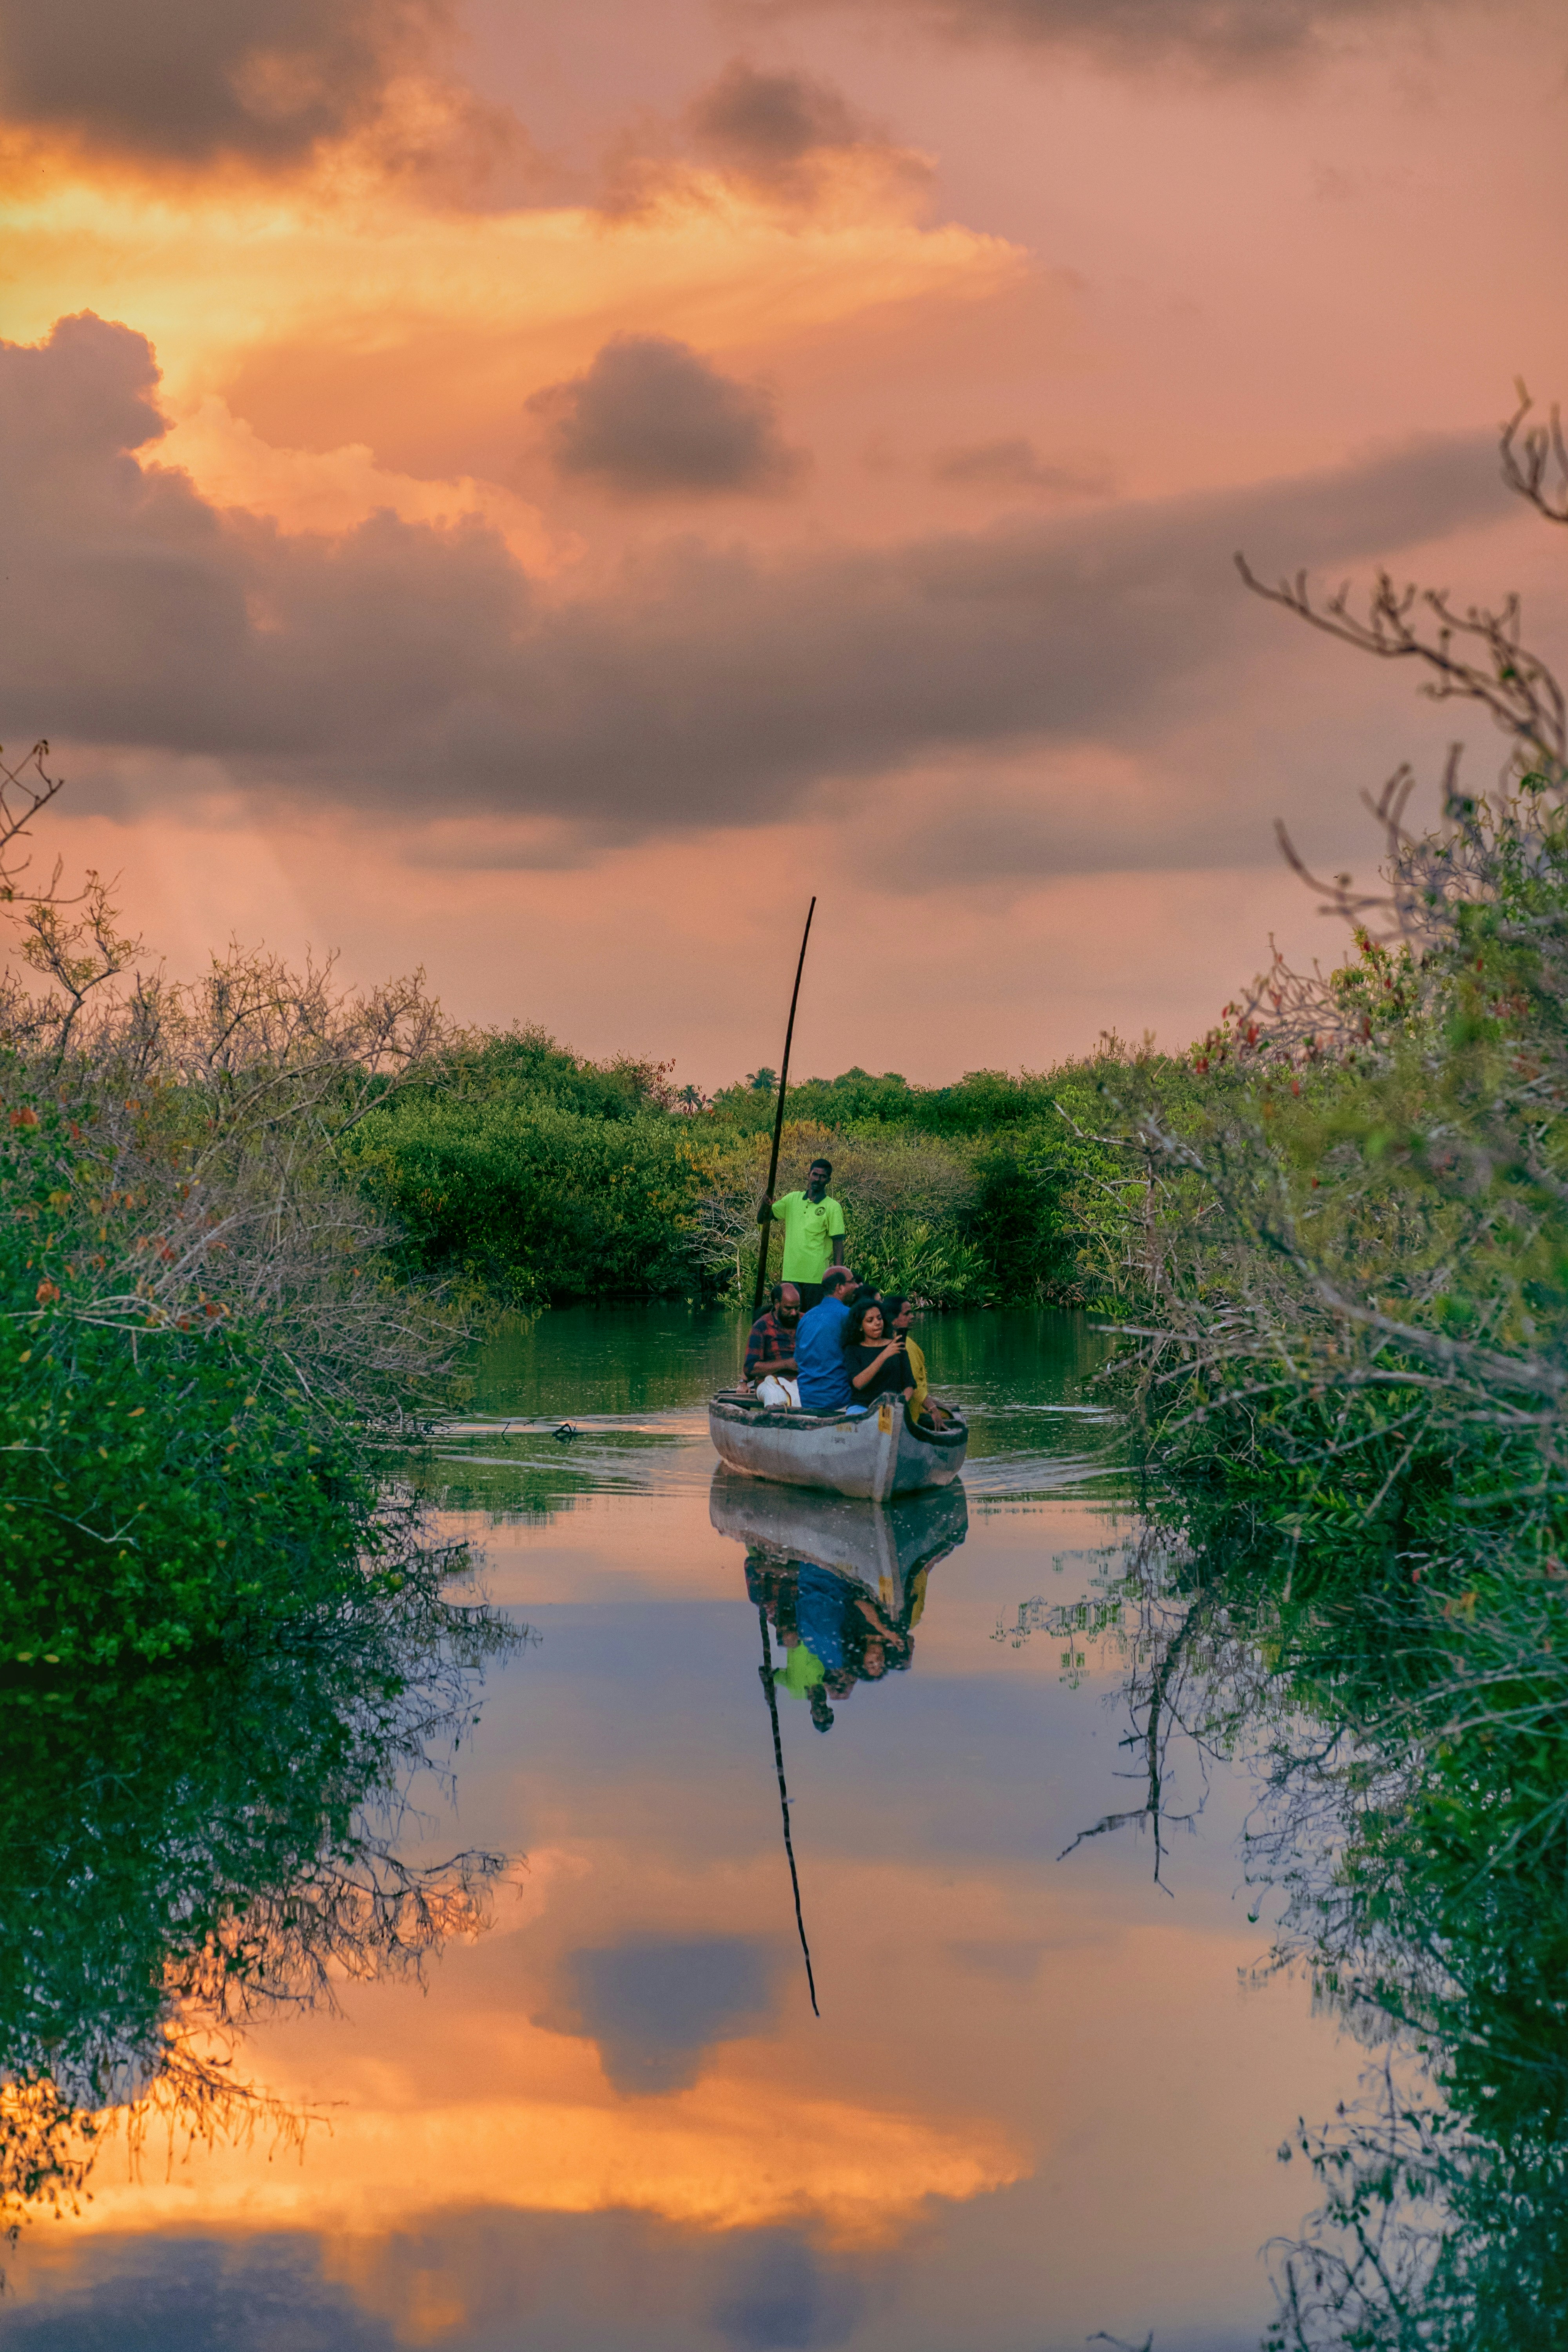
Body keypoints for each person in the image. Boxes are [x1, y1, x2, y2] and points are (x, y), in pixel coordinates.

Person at [757, 1159, 846, 1311]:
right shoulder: (792, 1199)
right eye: (815, 1174)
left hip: (817, 1278)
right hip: (790, 1276)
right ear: (809, 1175)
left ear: (828, 1180)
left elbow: (838, 1244)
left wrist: (837, 1277)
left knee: (811, 1321)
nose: (818, 1179)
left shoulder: (833, 1207)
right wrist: (764, 1203)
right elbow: (762, 1218)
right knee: (789, 1323)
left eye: (823, 1177)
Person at [793, 1264, 857, 1410]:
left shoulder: (806, 1318)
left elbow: (799, 1361)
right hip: (839, 1400)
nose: (857, 1286)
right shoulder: (849, 1316)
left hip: (807, 1399)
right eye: (852, 1282)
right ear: (839, 1288)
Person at [882, 1294, 952, 1426]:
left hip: (902, 1411)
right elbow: (915, 1384)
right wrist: (933, 1409)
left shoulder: (887, 1342)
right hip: (908, 1417)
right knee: (950, 1417)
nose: (912, 1317)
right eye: (907, 1314)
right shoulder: (905, 1345)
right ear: (893, 1320)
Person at [841, 1295, 915, 1405]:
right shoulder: (853, 1349)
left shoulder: (897, 1345)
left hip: (892, 1406)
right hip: (861, 1407)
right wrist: (884, 1355)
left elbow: (909, 1385)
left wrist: (901, 1404)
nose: (877, 1323)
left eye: (879, 1318)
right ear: (860, 1327)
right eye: (870, 1320)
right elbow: (858, 1384)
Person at [744, 1281, 802, 1406]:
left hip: (803, 1381)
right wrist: (787, 1364)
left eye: (797, 1308)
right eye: (788, 1308)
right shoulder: (761, 1326)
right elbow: (750, 1368)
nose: (794, 1313)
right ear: (777, 1304)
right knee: (775, 1397)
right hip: (768, 1383)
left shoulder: (806, 1322)